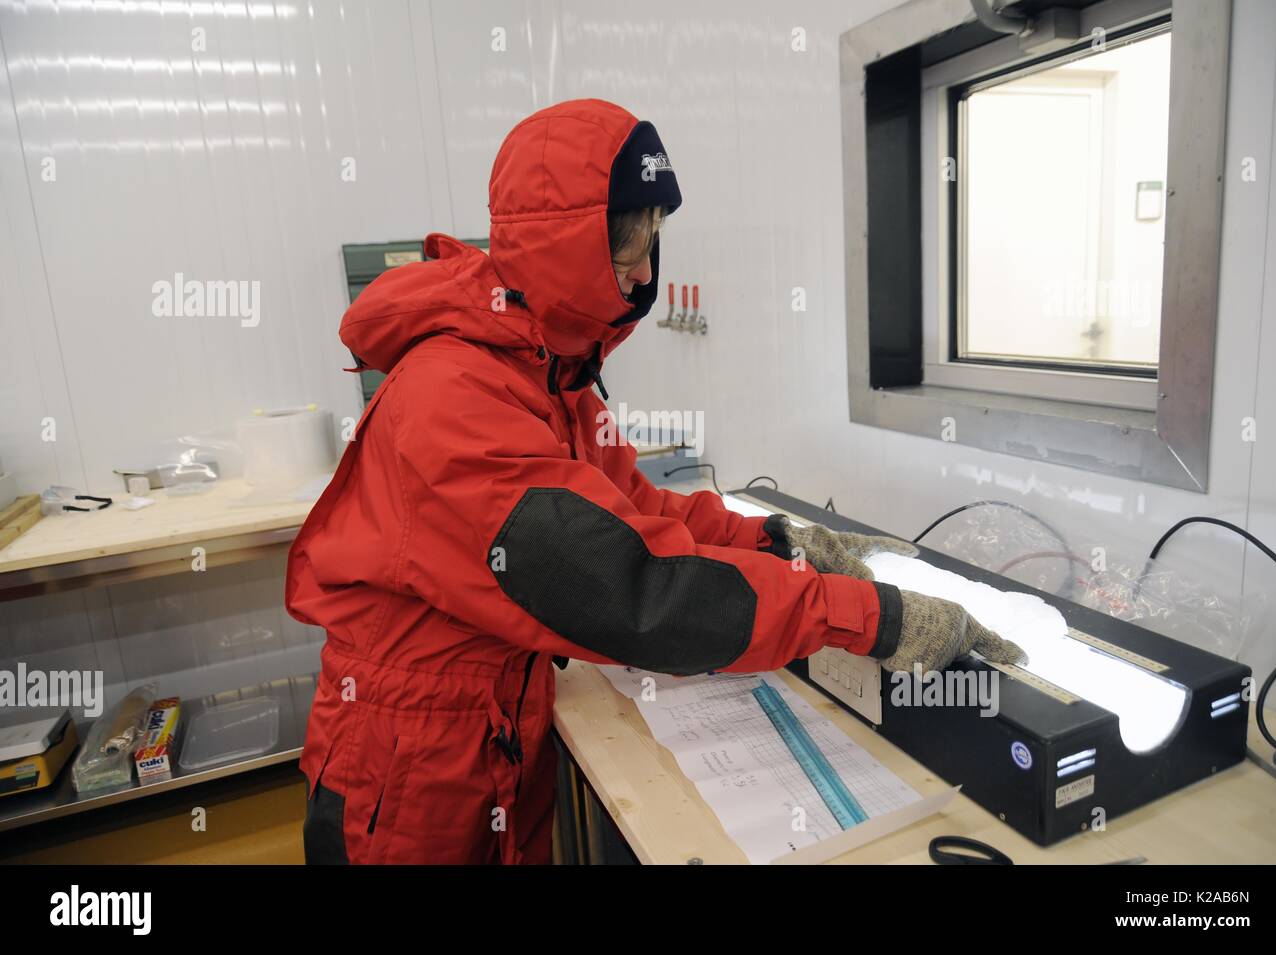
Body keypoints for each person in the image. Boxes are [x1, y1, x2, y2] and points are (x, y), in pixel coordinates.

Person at [286, 98, 1024, 865]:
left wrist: (777, 538)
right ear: (554, 248)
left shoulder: (548, 373)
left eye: (652, 241)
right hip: (408, 770)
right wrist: (868, 615)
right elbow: (631, 587)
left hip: (493, 727)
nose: (644, 271)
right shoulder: (454, 394)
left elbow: (633, 508)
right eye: (622, 246)